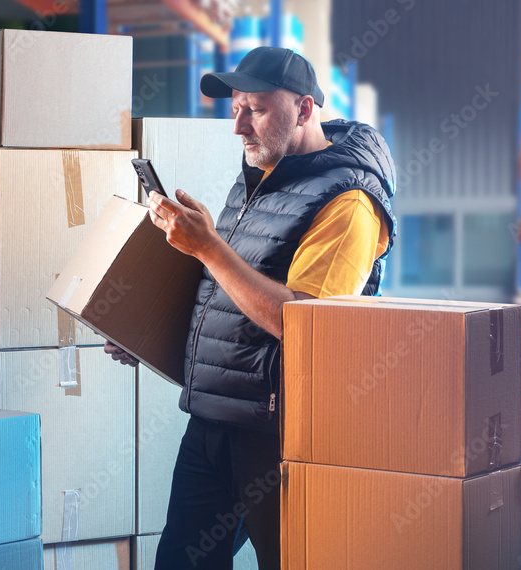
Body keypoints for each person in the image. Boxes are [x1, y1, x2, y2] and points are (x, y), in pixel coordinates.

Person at [105, 46, 397, 570]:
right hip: (214, 420)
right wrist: (144, 331)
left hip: (277, 434)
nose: (238, 126)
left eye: (255, 109)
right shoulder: (262, 174)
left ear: (305, 110)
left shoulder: (349, 202)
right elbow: (232, 293)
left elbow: (304, 323)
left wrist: (208, 245)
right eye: (234, 107)